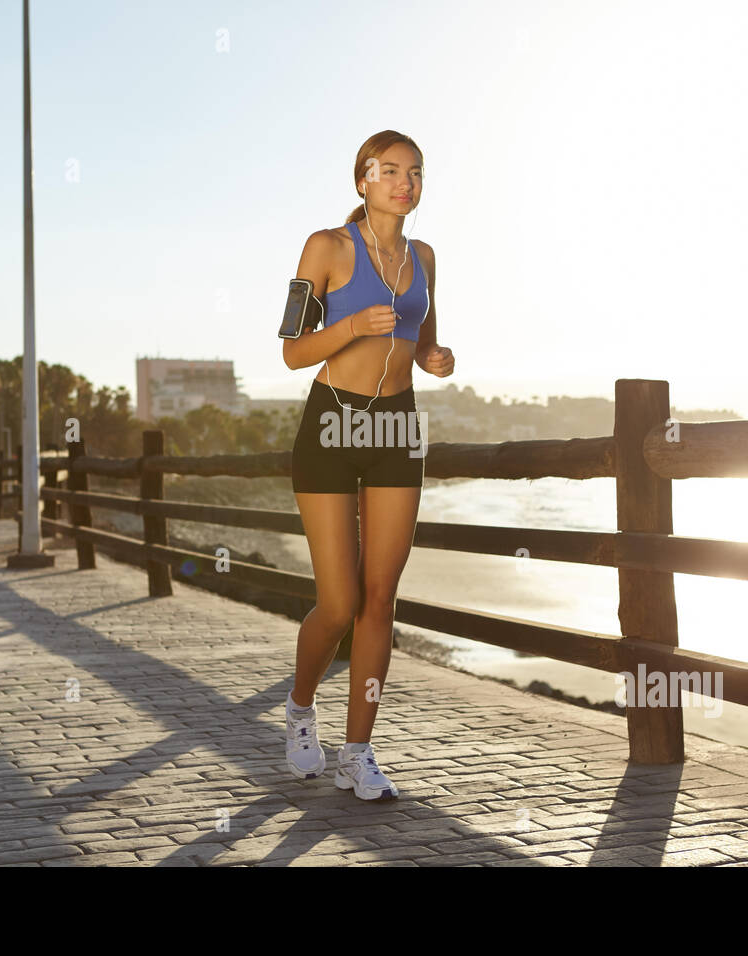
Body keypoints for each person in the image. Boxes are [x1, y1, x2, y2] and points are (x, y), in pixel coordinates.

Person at [280, 130, 455, 800]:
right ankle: (300, 709)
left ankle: (359, 751)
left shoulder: (425, 258)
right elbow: (294, 352)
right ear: (362, 179)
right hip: (331, 421)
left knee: (381, 598)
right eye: (388, 171)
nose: (403, 183)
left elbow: (425, 343)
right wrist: (352, 327)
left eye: (414, 172)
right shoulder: (326, 246)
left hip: (395, 425)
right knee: (341, 600)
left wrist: (439, 360)